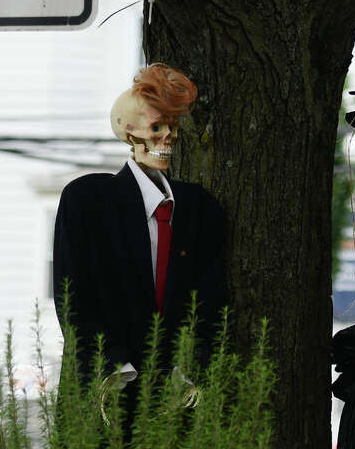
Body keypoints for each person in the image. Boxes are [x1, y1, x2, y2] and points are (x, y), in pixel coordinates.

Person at [52, 64, 227, 394]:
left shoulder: (199, 210)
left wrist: (190, 371)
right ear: (131, 134)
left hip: (178, 402)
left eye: (173, 126)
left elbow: (211, 304)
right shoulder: (88, 202)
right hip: (106, 395)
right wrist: (112, 368)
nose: (169, 137)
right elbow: (73, 300)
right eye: (157, 126)